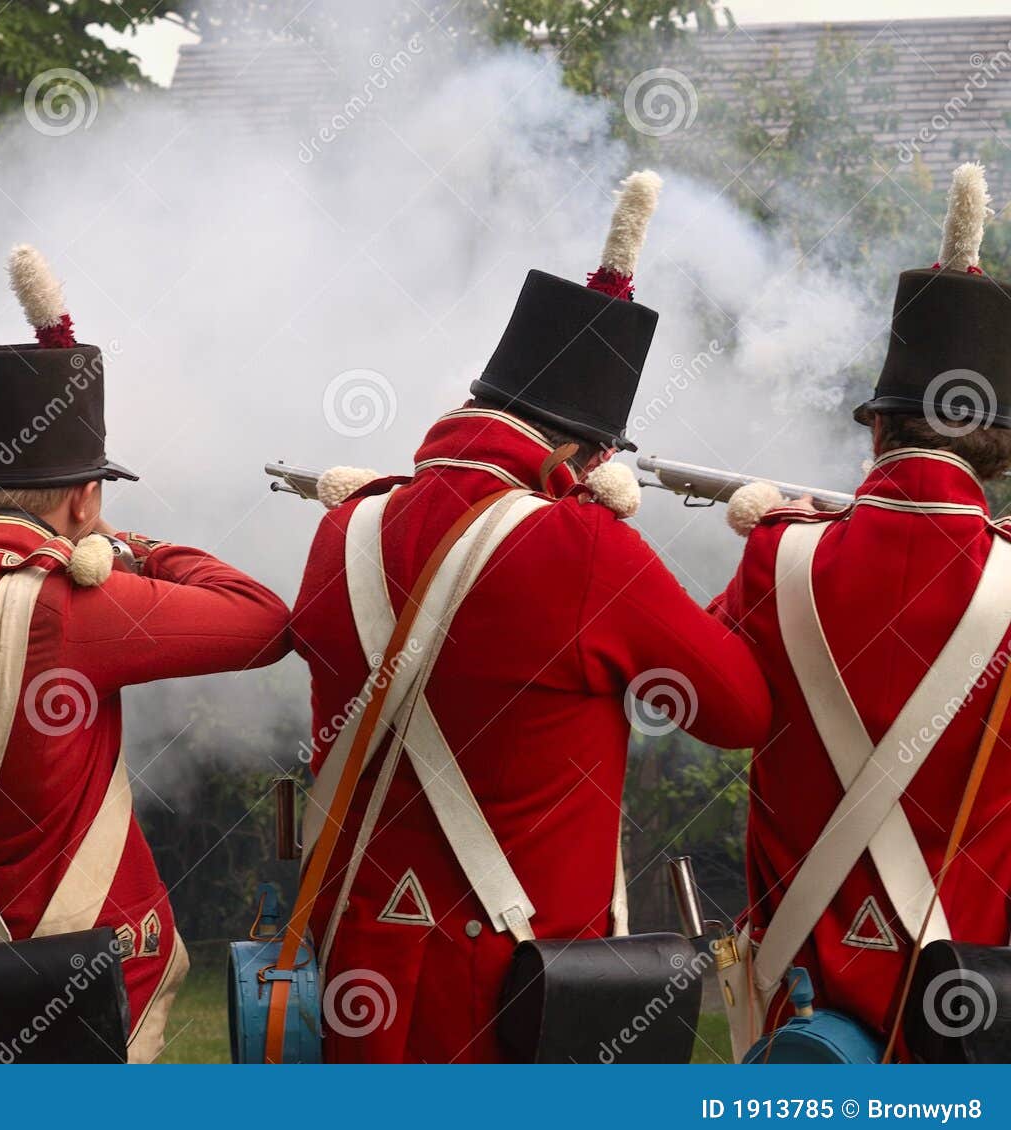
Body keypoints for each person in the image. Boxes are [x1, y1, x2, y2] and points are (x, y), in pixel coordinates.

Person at [287, 173, 773, 1062]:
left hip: (360, 989)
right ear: (586, 454)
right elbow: (740, 708)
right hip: (523, 1000)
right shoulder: (585, 548)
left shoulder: (342, 530)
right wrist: (767, 558)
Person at [0, 245, 291, 1062]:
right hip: (74, 986)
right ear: (85, 496)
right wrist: (133, 546)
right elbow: (265, 622)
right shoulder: (62, 605)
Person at [709, 163, 1011, 1060]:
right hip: (969, 1021)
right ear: (995, 451)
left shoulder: (777, 558)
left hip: (796, 1017)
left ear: (877, 429)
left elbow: (701, 701)